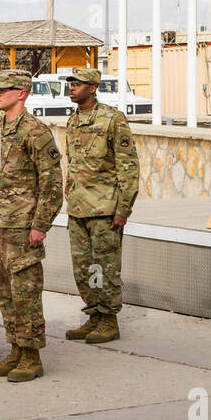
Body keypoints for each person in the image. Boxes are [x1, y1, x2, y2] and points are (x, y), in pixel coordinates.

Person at [0, 69, 63, 382]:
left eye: (4, 89)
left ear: (22, 92)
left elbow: (53, 181)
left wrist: (40, 224)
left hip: (21, 226)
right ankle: (15, 348)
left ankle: (31, 355)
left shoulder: (34, 131)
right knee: (4, 290)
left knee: (25, 291)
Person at [63, 68, 140, 343]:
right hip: (78, 208)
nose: (72, 87)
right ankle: (94, 314)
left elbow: (128, 166)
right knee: (83, 268)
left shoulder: (112, 119)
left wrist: (123, 209)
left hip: (104, 208)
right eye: (70, 83)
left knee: (104, 266)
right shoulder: (73, 121)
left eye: (77, 83)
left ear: (93, 87)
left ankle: (109, 319)